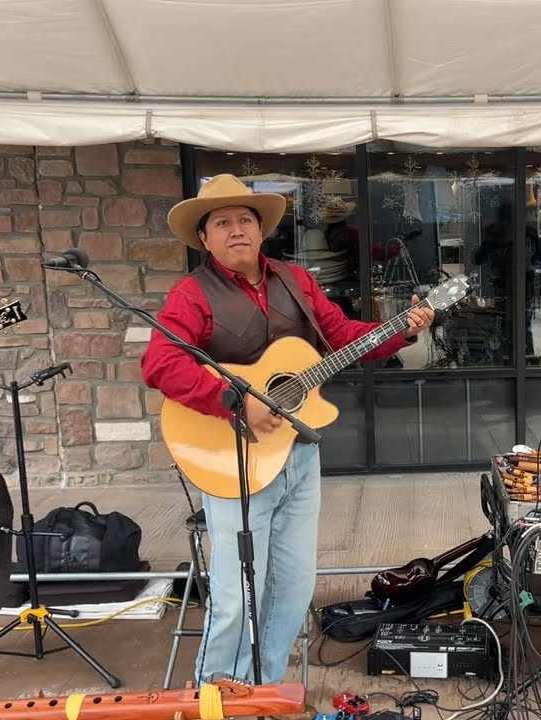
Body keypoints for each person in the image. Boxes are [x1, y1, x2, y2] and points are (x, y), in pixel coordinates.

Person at [140, 174, 434, 684]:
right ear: (205, 238)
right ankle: (213, 697)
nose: (237, 230)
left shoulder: (296, 282)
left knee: (294, 588)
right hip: (231, 457)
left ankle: (265, 689)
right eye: (222, 222)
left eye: (245, 220)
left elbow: (340, 335)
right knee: (233, 595)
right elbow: (159, 364)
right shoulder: (192, 294)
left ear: (261, 231)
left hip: (297, 454)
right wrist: (234, 401)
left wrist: (400, 328)